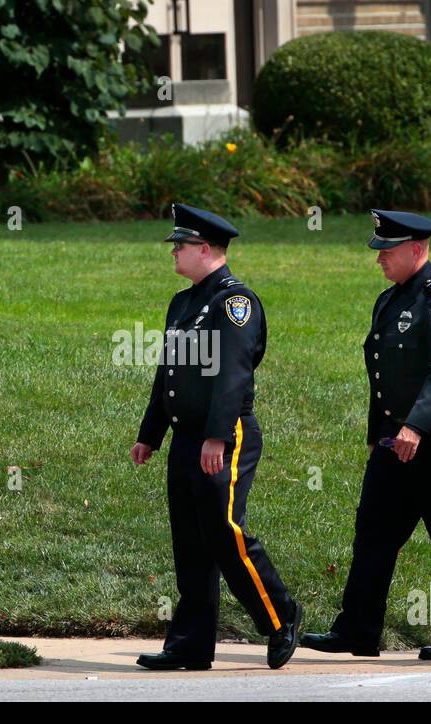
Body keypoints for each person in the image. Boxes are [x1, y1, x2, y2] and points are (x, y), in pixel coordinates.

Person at [302, 209, 431, 661]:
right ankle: (358, 630)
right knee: (373, 530)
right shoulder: (389, 301)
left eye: (388, 251)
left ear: (417, 249)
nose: (380, 259)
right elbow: (381, 373)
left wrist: (415, 425)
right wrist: (379, 431)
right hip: (395, 435)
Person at [130, 203, 302, 671]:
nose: (174, 254)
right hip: (187, 436)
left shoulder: (235, 302)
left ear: (205, 249)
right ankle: (189, 643)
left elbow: (233, 374)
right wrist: (151, 433)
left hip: (223, 436)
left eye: (180, 246)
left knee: (224, 531)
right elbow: (168, 373)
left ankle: (281, 613)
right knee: (190, 541)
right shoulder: (183, 301)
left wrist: (218, 437)